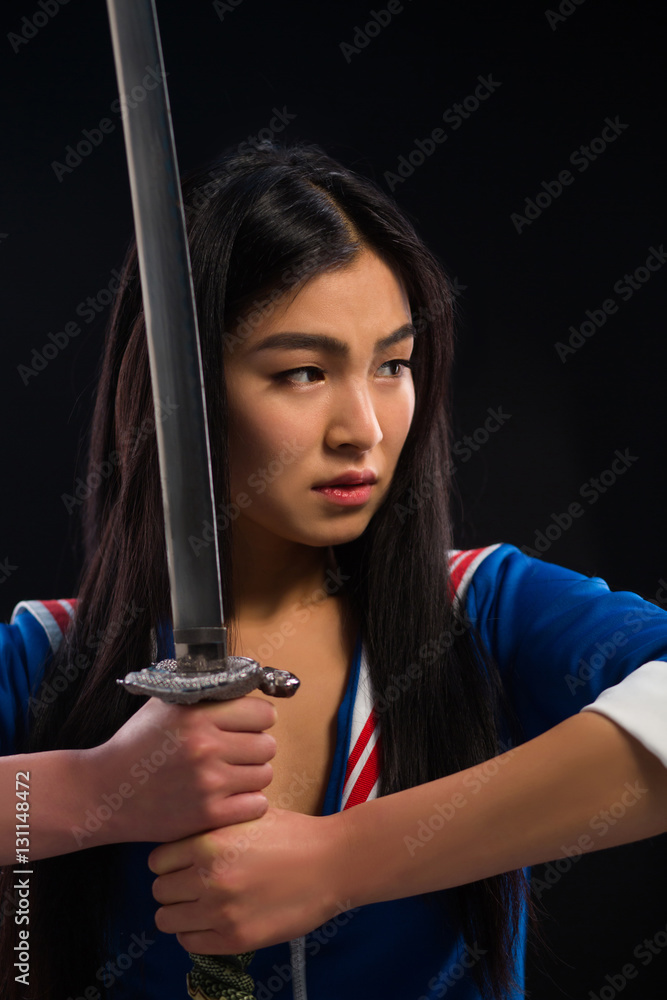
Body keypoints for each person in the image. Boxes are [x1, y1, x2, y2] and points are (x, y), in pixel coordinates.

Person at [1, 140, 666, 1000]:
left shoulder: (484, 609)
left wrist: (336, 864)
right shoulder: (50, 656)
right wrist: (90, 790)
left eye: (391, 364)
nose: (364, 427)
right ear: (179, 396)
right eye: (303, 372)